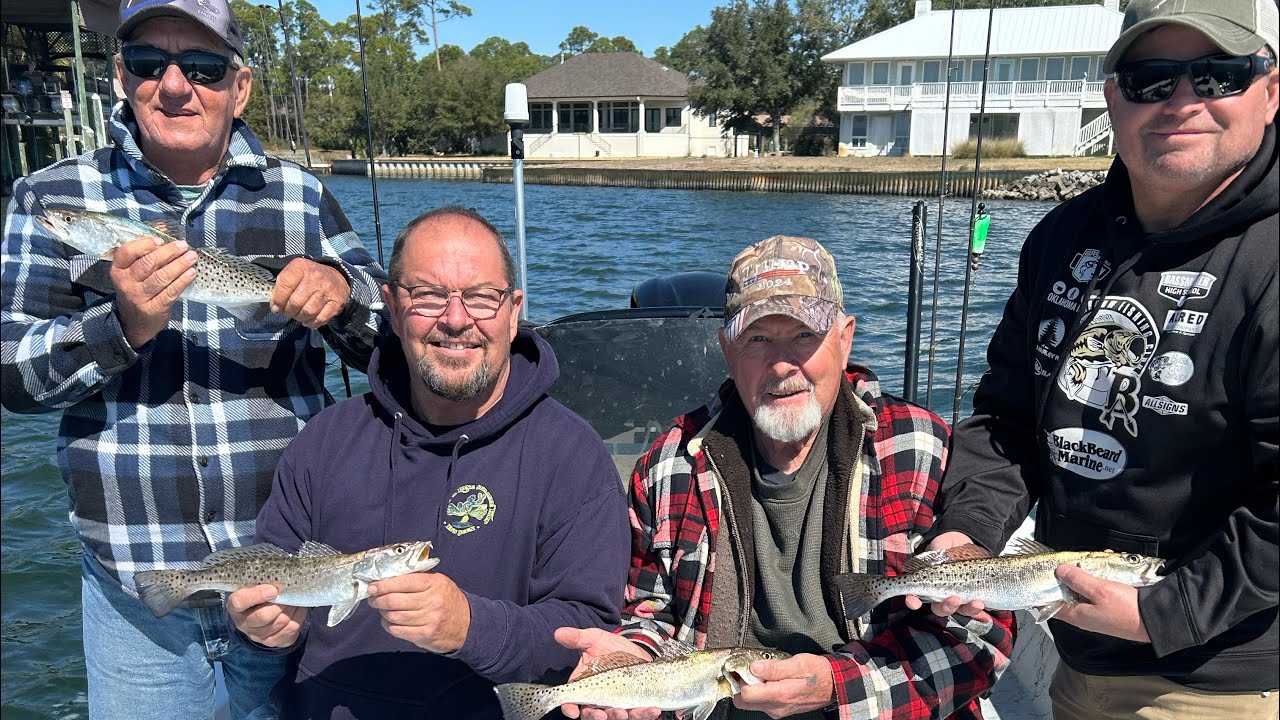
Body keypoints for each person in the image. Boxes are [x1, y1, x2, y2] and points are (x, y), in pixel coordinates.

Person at [0, 0, 386, 717]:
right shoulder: (51, 197)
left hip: (288, 576)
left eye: (203, 66)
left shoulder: (301, 195)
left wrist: (344, 291)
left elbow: (392, 346)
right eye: (151, 63)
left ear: (239, 88)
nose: (175, 85)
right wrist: (122, 325)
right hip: (135, 592)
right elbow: (12, 374)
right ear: (121, 76)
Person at [924, 0, 1279, 718]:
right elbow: (1007, 416)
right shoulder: (1064, 235)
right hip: (1078, 654)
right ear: (1114, 98)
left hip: (1216, 678)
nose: (1184, 102)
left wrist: (1163, 614)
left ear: (1270, 92)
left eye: (1220, 76)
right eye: (1153, 79)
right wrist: (969, 529)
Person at [555, 235, 1015, 720]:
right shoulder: (668, 465)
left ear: (844, 339)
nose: (781, 364)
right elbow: (647, 614)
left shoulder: (922, 447)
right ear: (727, 349)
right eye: (757, 339)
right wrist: (633, 658)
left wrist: (837, 688)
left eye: (803, 335)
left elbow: (986, 638)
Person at [226, 206, 630, 719]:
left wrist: (470, 626)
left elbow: (587, 631)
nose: (456, 320)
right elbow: (273, 575)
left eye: (482, 297)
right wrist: (261, 626)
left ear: (513, 313)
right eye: (428, 296)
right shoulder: (325, 440)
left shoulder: (574, 456)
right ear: (392, 310)